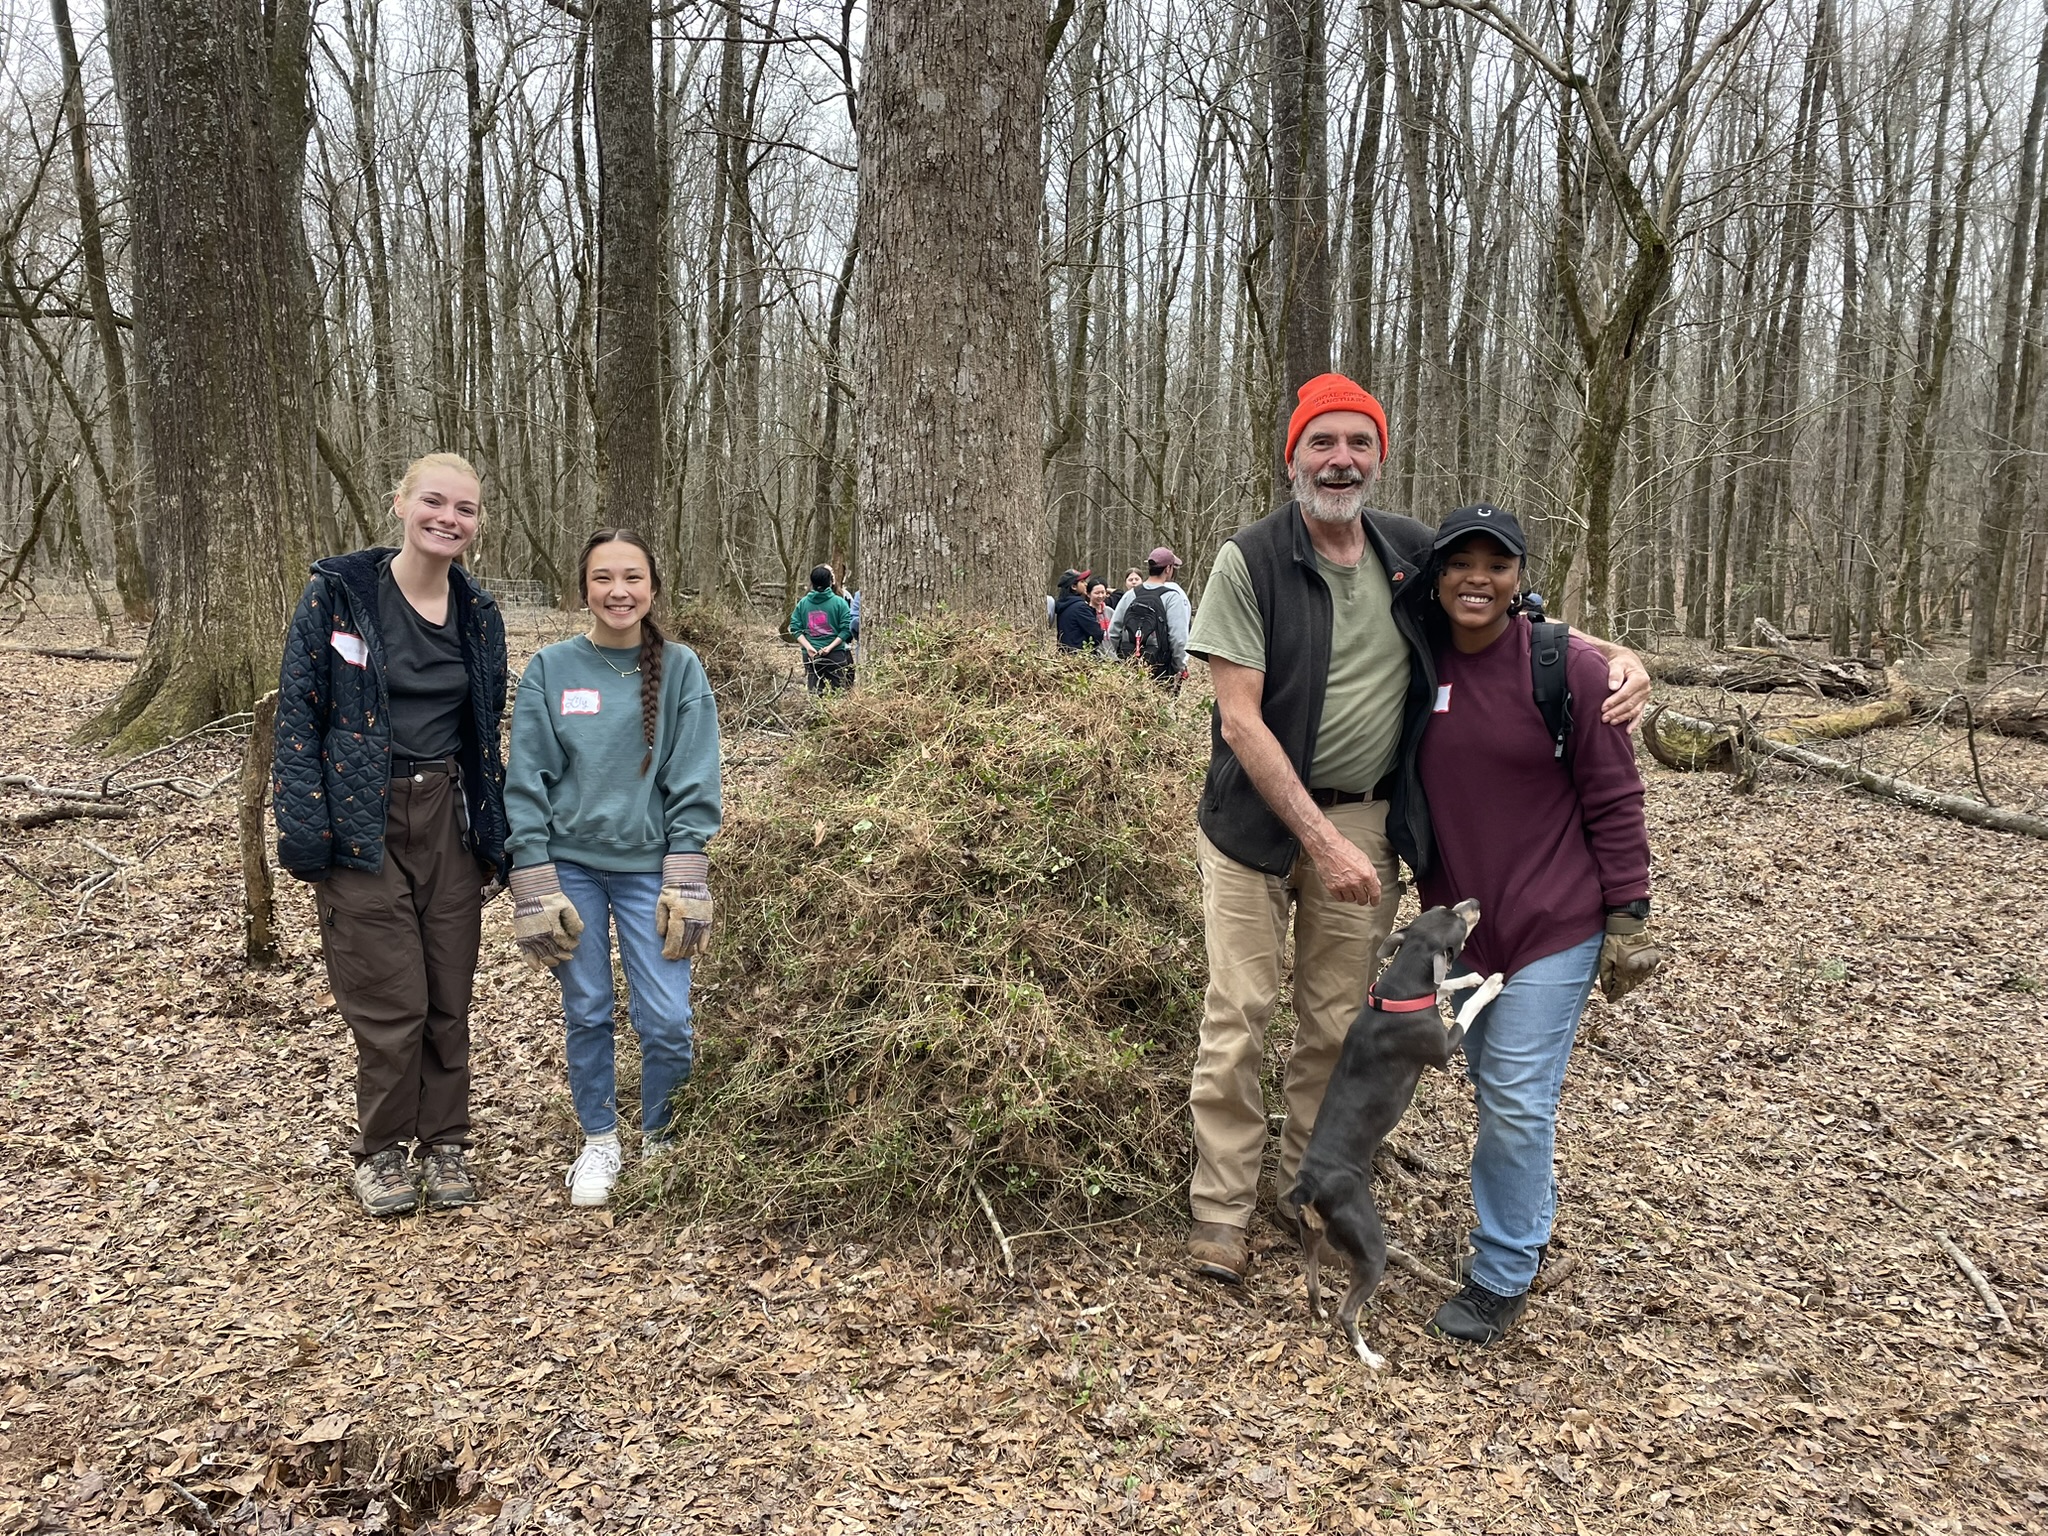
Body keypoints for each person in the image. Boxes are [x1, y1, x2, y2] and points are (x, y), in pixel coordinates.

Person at [1180, 372, 1649, 1285]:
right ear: (1293, 456)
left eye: (1359, 443)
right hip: (1254, 822)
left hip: (1366, 812)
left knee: (1333, 1026)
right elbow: (1240, 720)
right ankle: (1220, 1211)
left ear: (1380, 457)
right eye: (1323, 443)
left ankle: (1305, 1196)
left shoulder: (1411, 555)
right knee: (1239, 1014)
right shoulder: (1250, 560)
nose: (1341, 460)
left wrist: (1624, 659)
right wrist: (1320, 840)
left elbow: (1507, 607)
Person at [1413, 504, 1658, 1344]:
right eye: (1461, 563)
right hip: (1458, 927)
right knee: (1493, 1086)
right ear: (1435, 576)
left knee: (1517, 1098)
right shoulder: (1416, 661)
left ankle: (1505, 1268)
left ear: (1520, 578)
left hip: (1557, 920)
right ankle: (1522, 1218)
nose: (1477, 578)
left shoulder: (1567, 668)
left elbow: (1615, 796)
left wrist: (1630, 914)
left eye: (1498, 564)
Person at [273, 452, 509, 1218]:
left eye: (464, 509)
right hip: (358, 819)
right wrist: (308, 831)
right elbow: (298, 719)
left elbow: (484, 732)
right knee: (389, 998)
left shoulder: (478, 615)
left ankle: (444, 1143)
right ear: (401, 504)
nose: (448, 518)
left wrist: (492, 829)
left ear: (477, 524)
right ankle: (380, 1151)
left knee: (447, 989)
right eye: (434, 502)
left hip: (445, 814)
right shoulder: (339, 597)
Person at [504, 529, 722, 1209]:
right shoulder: (551, 669)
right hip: (570, 868)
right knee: (589, 1008)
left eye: (632, 577)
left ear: (653, 587)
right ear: (583, 589)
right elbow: (527, 778)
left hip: (651, 871)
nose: (618, 591)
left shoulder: (681, 669)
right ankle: (599, 1141)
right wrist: (533, 881)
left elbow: (695, 775)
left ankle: (661, 1136)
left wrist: (686, 875)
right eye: (603, 578)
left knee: (666, 1018)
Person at [1108, 547, 1190, 686]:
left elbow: (1113, 632)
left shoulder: (1131, 594)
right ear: (1168, 569)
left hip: (1130, 671)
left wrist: (1119, 663)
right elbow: (1178, 640)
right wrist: (1179, 667)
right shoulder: (1172, 598)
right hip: (1161, 672)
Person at [791, 565, 855, 692]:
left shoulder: (803, 603)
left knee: (815, 692)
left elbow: (795, 628)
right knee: (838, 694)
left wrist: (808, 647)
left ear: (812, 583)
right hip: (835, 655)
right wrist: (830, 647)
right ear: (830, 582)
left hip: (811, 656)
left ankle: (815, 712)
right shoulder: (840, 603)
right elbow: (846, 629)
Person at [1053, 568, 1102, 652]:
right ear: (1073, 586)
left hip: (1066, 655)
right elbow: (1096, 634)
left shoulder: (1064, 606)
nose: (1086, 584)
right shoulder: (1080, 608)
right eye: (1082, 582)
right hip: (1081, 656)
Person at [1087, 579, 1114, 644]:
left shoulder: (1110, 611)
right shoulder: (1086, 612)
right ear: (1088, 594)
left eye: (1102, 592)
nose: (1100, 596)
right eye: (1097, 593)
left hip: (1112, 651)